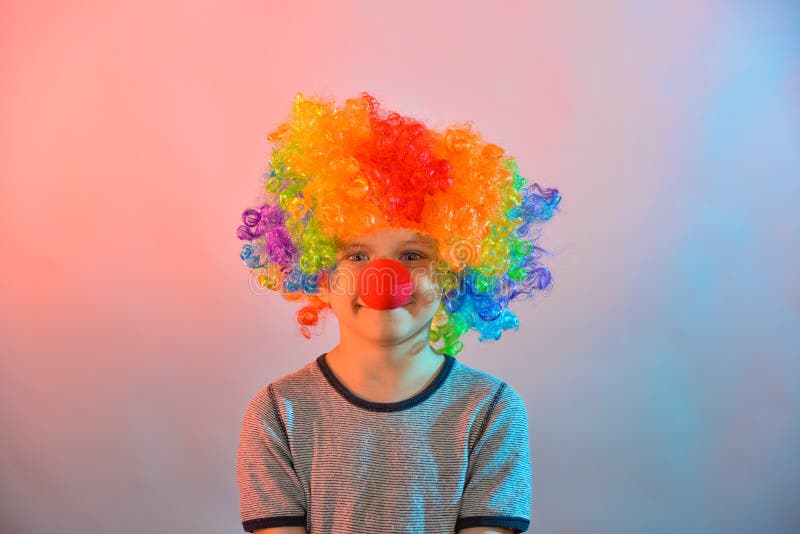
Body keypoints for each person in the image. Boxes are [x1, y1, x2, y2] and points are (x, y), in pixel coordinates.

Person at [235, 92, 562, 534]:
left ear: (454, 271)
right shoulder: (278, 412)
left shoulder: (490, 411)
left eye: (411, 255)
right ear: (318, 274)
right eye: (355, 256)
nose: (384, 276)